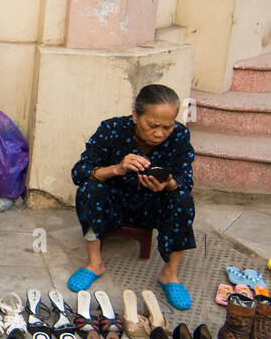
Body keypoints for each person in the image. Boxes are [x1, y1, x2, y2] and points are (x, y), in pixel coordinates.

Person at [67, 84, 195, 309]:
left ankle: (170, 274)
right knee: (89, 189)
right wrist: (116, 168)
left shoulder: (180, 136)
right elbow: (80, 171)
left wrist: (168, 184)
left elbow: (186, 179)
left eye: (167, 126)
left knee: (182, 198)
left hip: (154, 204)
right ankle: (94, 263)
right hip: (116, 201)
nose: (159, 133)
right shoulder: (112, 129)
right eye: (152, 125)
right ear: (136, 115)